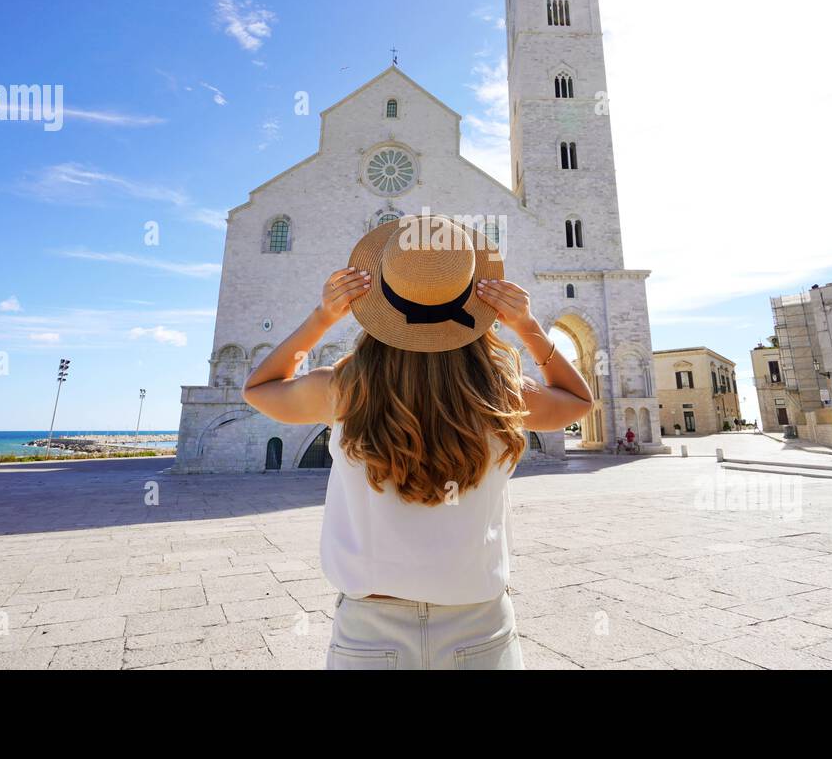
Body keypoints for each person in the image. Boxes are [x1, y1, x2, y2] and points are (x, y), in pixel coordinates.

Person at [243, 214, 594, 670]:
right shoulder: (503, 391)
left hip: (369, 632)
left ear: (380, 305)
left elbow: (260, 388)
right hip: (481, 626)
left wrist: (322, 316)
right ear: (476, 301)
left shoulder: (345, 388)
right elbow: (577, 400)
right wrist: (526, 325)